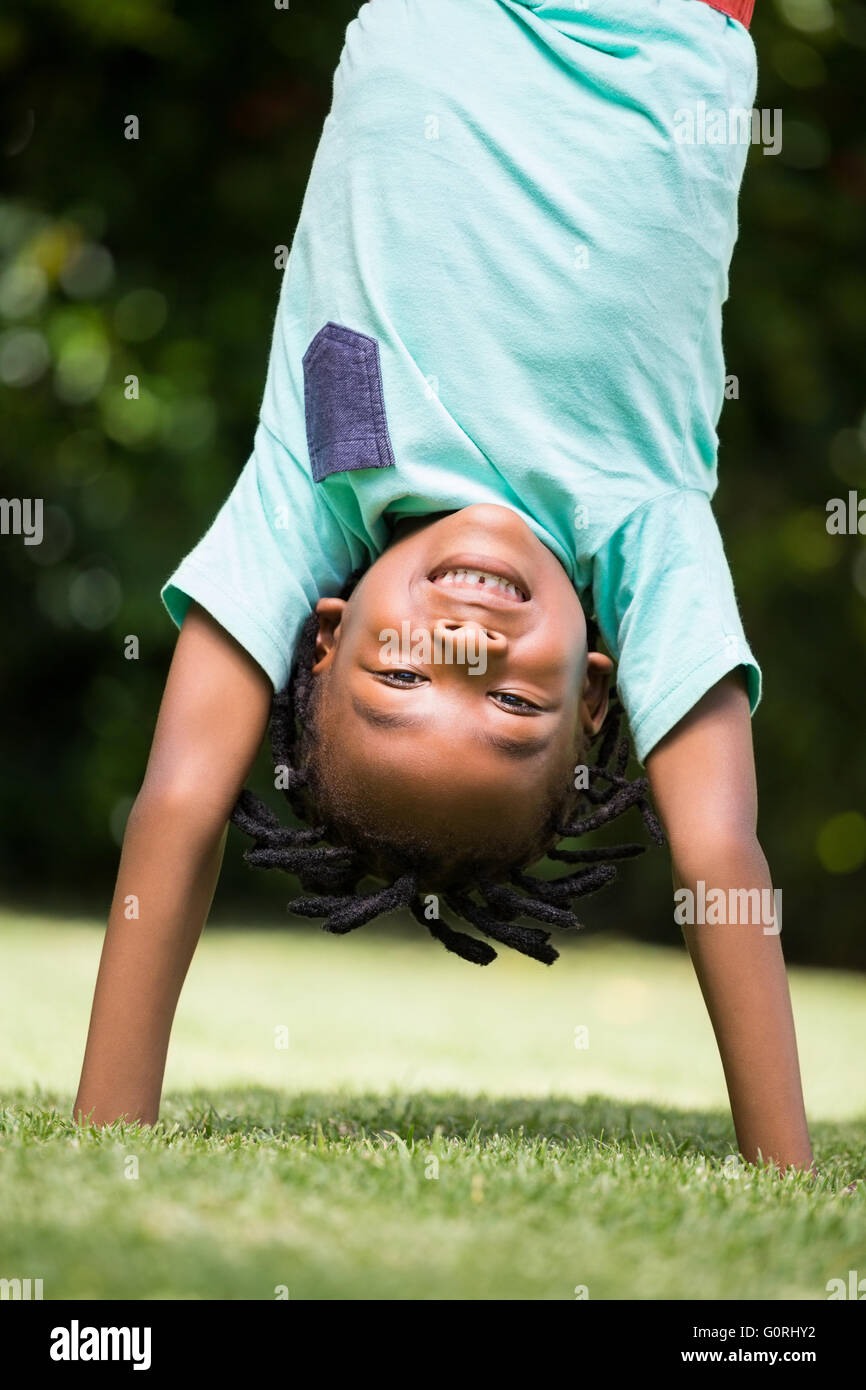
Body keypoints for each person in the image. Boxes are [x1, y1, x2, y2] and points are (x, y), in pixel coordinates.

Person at [74, 0, 814, 1172]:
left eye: (402, 671)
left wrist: (107, 1131)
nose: (465, 647)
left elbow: (177, 801)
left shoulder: (318, 475)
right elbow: (718, 848)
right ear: (594, 701)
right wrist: (786, 1171)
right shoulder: (640, 532)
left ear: (320, 636)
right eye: (512, 709)